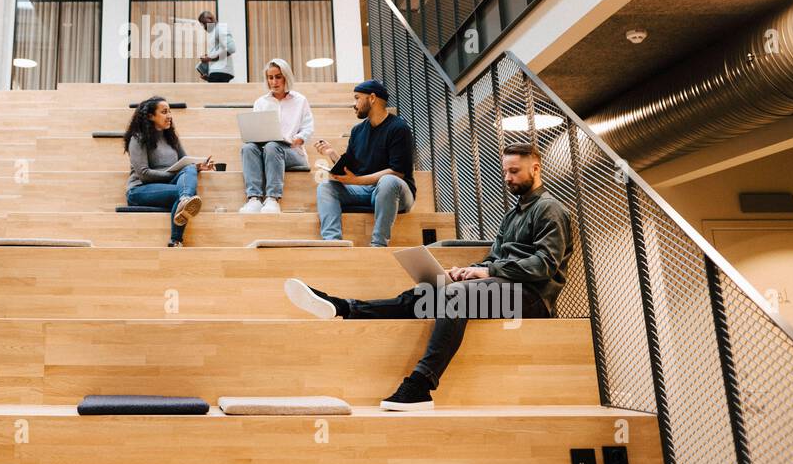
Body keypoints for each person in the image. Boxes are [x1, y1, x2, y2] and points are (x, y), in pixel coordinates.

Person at [284, 144, 573, 410]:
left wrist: (487, 272)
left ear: (535, 169)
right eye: (505, 171)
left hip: (531, 297)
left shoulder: (549, 208)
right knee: (429, 291)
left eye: (514, 171)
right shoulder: (512, 215)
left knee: (455, 296)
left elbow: (544, 265)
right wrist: (465, 271)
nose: (508, 178)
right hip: (503, 287)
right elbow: (493, 260)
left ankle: (421, 385)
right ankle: (345, 307)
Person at [313, 79, 415, 246]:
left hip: (397, 193)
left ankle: (378, 244)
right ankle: (333, 243)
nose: (354, 104)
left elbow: (397, 172)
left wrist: (357, 181)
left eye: (357, 98)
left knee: (388, 181)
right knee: (325, 187)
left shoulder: (399, 128)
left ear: (372, 98)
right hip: (366, 191)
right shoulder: (358, 130)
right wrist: (332, 154)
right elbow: (351, 168)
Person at [124, 96, 215, 247]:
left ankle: (183, 204)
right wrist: (174, 174)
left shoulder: (172, 138)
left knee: (189, 170)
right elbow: (144, 174)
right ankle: (178, 233)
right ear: (150, 116)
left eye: (170, 112)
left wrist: (198, 167)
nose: (169, 116)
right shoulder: (138, 138)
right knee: (182, 194)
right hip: (140, 189)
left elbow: (185, 163)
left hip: (168, 183)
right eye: (164, 112)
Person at [240, 58, 313, 214]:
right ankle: (254, 198)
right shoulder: (260, 102)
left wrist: (299, 138)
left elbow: (308, 127)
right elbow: (256, 128)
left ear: (286, 77)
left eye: (278, 77)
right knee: (248, 148)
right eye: (270, 77)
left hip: (293, 151)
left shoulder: (300, 100)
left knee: (273, 146)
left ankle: (273, 199)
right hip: (268, 150)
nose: (274, 81)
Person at [197, 10, 235, 82]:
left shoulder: (220, 28)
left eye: (205, 23)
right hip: (217, 72)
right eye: (202, 25)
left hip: (220, 72)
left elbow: (231, 48)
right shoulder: (215, 31)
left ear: (211, 18)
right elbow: (220, 51)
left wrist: (210, 59)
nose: (204, 27)